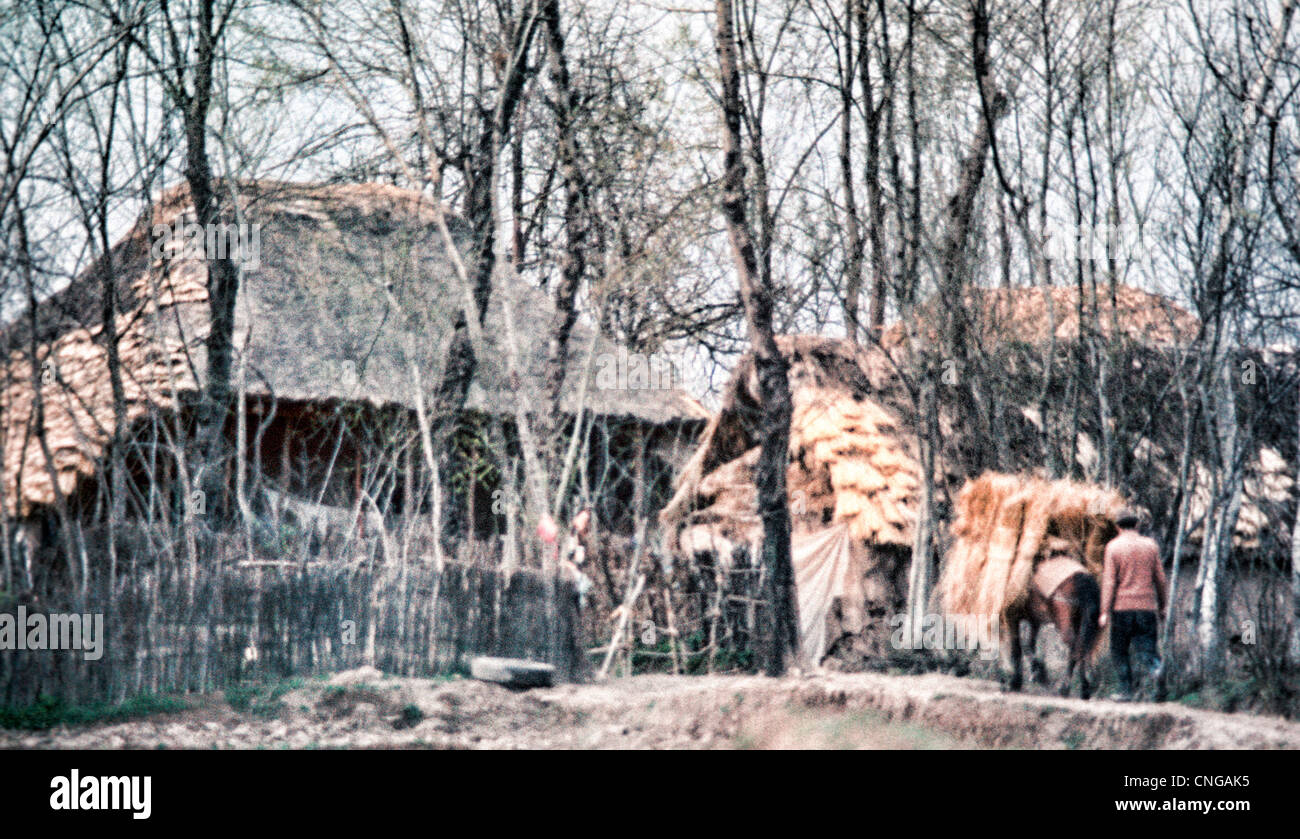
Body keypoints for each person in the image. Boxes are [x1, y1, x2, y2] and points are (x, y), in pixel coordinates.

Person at [1100, 508, 1168, 702]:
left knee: (1119, 650)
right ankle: (1157, 671)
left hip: (1122, 608)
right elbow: (1160, 579)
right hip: (1147, 606)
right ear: (1137, 525)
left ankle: (1126, 691)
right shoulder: (1151, 545)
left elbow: (1109, 582)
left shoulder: (1113, 547)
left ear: (1117, 527)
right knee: (1148, 648)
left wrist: (1104, 611)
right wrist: (1163, 606)